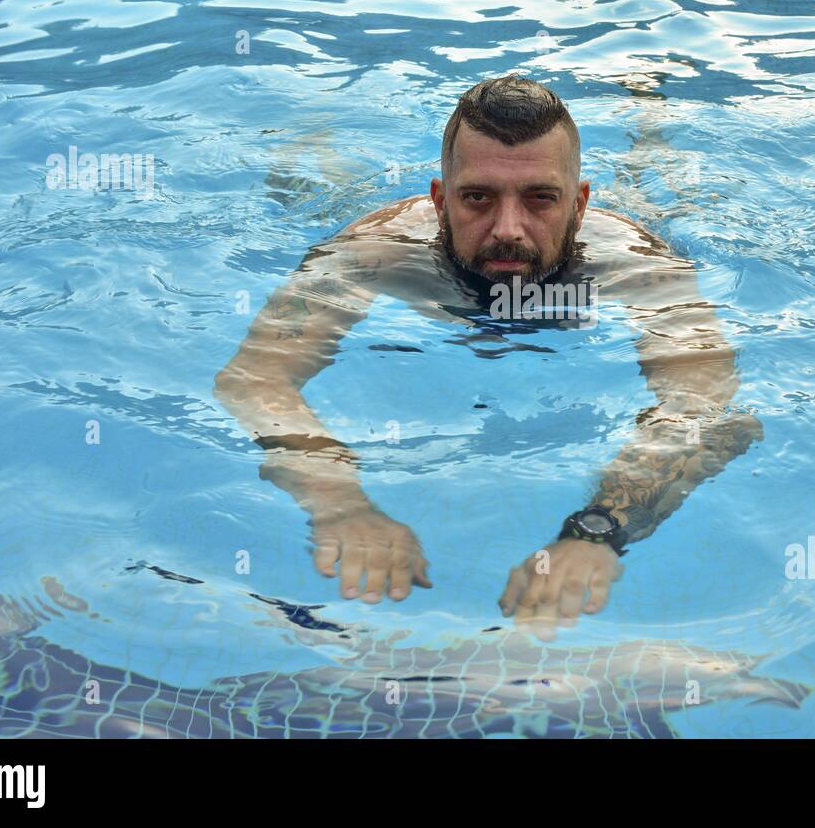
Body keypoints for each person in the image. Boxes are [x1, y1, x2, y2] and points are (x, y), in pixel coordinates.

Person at [213, 73, 763, 640]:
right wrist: (338, 501)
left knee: (656, 185)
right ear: (437, 200)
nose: (508, 230)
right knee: (306, 188)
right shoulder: (377, 251)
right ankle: (311, 128)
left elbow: (701, 403)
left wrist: (597, 530)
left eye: (540, 199)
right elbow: (256, 379)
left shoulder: (635, 262)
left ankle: (648, 116)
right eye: (476, 197)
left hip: (620, 235)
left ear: (578, 204)